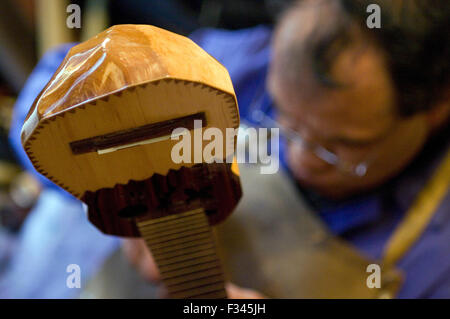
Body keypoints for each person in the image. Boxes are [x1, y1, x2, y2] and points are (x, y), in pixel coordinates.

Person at [124, 0, 450, 298]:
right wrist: (122, 175)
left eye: (342, 145)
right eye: (281, 114)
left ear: (437, 108)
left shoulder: (438, 259)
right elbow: (80, 86)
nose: (301, 159)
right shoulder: (243, 66)